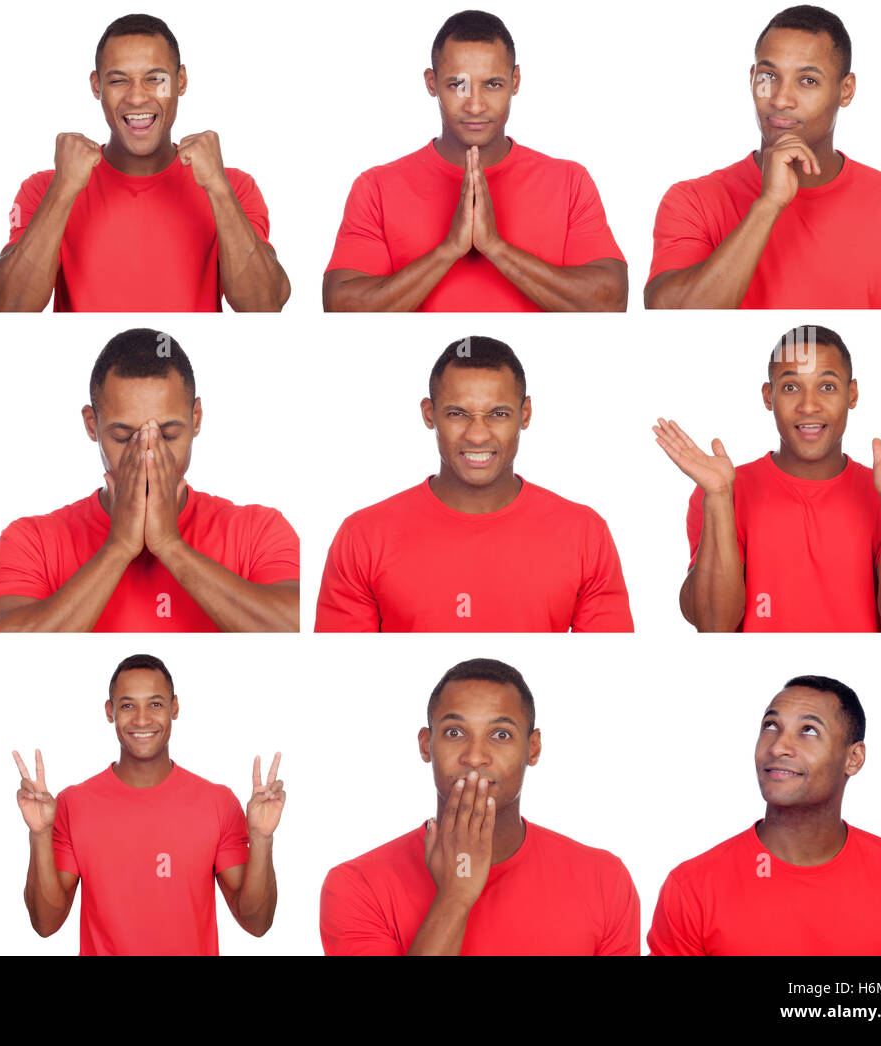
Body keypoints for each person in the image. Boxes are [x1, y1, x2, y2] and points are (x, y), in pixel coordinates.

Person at [645, 5, 881, 309]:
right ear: (752, 79)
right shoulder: (691, 200)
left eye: (808, 80)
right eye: (768, 76)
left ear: (845, 90)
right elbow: (670, 322)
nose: (780, 99)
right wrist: (767, 206)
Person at [320, 658, 639, 954]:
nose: (474, 756)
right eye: (454, 732)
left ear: (533, 748)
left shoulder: (605, 881)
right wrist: (455, 896)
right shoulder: (356, 886)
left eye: (501, 734)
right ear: (425, 745)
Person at [315, 336, 632, 631]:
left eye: (498, 413)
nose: (477, 435)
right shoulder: (363, 536)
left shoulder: (585, 533)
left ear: (525, 414)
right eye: (457, 413)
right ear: (430, 414)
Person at [0, 328, 299, 632]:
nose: (147, 453)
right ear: (92, 425)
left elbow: (295, 628)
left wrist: (169, 545)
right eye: (124, 436)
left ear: (196, 419)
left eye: (168, 435)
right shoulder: (31, 540)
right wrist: (118, 547)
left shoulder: (257, 530)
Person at [323, 10, 626, 312]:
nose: (476, 105)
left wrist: (496, 248)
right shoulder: (376, 187)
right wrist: (449, 250)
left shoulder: (570, 181)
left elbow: (611, 302)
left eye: (492, 84)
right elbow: (340, 308)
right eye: (458, 85)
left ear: (515, 81)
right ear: (432, 83)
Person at [0, 13, 288, 312]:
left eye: (156, 79)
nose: (137, 97)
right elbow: (8, 307)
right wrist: (62, 191)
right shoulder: (44, 188)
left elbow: (265, 305)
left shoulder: (234, 187)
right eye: (118, 80)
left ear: (180, 81)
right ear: (96, 86)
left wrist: (219, 189)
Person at [655, 325, 881, 632]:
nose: (808, 406)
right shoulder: (720, 493)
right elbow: (713, 623)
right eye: (791, 387)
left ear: (852, 394)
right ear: (769, 396)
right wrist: (716, 497)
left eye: (827, 387)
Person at [648, 676, 881, 955]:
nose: (778, 746)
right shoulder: (691, 888)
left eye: (808, 730)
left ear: (854, 758)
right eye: (770, 726)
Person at [13, 653, 284, 955]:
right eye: (127, 705)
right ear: (109, 711)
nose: (141, 720)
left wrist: (261, 838)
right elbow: (45, 924)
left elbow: (257, 923)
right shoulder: (72, 804)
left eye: (155, 704)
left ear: (175, 708)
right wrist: (39, 834)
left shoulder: (218, 802)